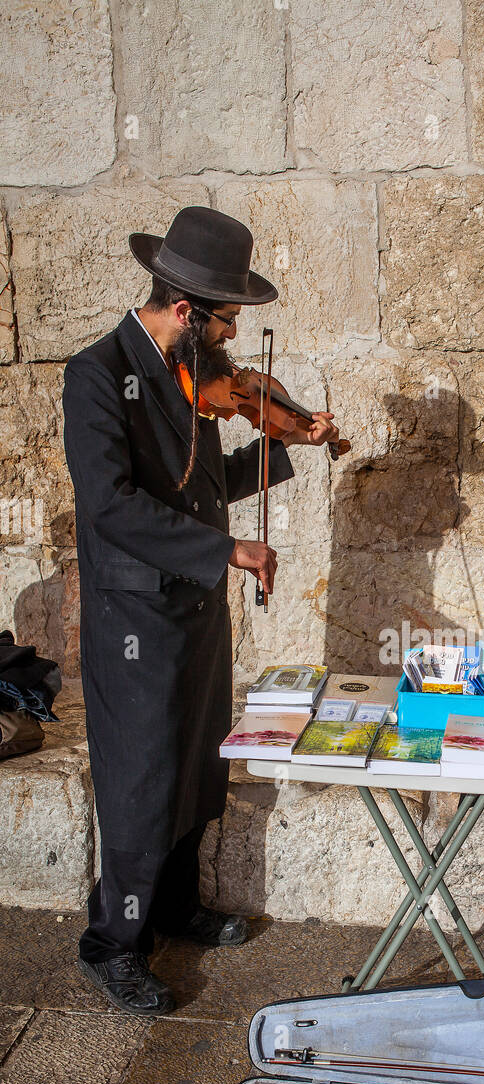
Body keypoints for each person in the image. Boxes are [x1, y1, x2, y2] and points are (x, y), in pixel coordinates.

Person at [63, 206, 339, 1015]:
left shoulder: (188, 371)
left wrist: (289, 446)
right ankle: (111, 942)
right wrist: (226, 551)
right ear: (185, 310)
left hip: (195, 611)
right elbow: (109, 504)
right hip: (136, 620)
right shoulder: (95, 374)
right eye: (225, 320)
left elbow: (204, 487)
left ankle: (174, 909)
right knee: (143, 778)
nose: (229, 337)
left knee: (193, 768)